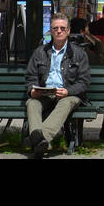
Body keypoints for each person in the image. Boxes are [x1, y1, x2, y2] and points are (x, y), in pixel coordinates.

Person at [23, 12, 91, 159]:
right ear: (51, 30)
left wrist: (68, 91)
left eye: (62, 28)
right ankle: (40, 141)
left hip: (69, 94)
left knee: (66, 102)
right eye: (55, 28)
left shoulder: (79, 53)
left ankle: (38, 138)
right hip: (45, 93)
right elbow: (31, 76)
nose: (59, 31)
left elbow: (84, 82)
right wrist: (32, 90)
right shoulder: (40, 52)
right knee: (32, 103)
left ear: (68, 30)